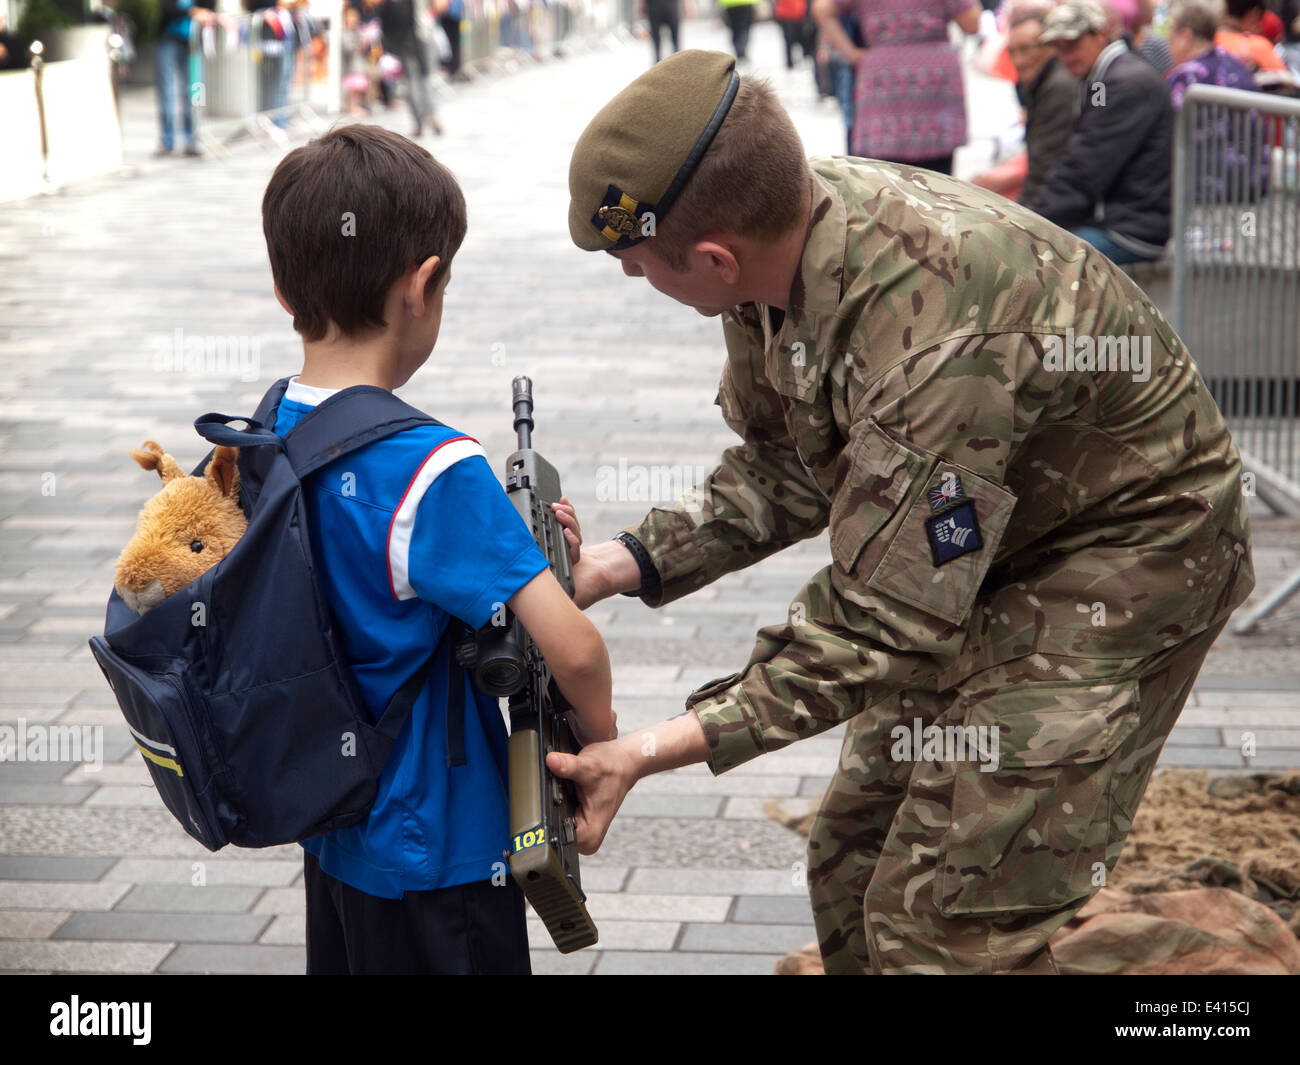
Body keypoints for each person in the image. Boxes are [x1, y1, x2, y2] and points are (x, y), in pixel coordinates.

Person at [553, 49, 1253, 974]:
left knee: (952, 923)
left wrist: (646, 750)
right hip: (982, 539)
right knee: (853, 852)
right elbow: (787, 467)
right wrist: (618, 562)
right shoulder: (777, 246)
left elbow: (883, 618)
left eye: (642, 269)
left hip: (1128, 555)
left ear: (714, 256)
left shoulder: (933, 344)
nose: (645, 283)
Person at [258, 124, 615, 973]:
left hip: (336, 832)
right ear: (422, 286)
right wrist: (596, 748)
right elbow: (575, 647)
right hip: (446, 854)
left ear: (281, 288)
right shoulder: (435, 467)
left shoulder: (263, 434)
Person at [1022, 0, 1172, 264]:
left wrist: (1028, 221)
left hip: (1130, 230)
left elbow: (1085, 168)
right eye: (1058, 48)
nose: (1066, 56)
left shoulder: (1124, 82)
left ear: (1101, 33)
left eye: (1073, 45)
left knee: (1032, 259)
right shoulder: (1105, 78)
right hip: (1117, 220)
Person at [813, 0, 980, 175]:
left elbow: (822, 9)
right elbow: (971, 23)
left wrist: (851, 53)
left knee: (883, 181)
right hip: (932, 84)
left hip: (882, 78)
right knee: (935, 183)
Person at [972, 2, 1078, 203]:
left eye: (1026, 49)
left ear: (1051, 47)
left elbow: (1045, 168)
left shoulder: (1058, 87)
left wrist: (1025, 215)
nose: (1018, 60)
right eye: (1012, 52)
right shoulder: (1038, 83)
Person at [365, 0, 442, 136]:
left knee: (413, 80)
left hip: (404, 38)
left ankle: (421, 120)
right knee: (424, 78)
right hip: (418, 35)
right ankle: (429, 115)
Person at [155, 0, 215, 156]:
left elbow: (209, 9)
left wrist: (199, 12)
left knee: (195, 91)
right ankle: (167, 141)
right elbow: (168, 8)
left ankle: (192, 140)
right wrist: (193, 11)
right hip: (169, 40)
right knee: (166, 92)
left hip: (194, 43)